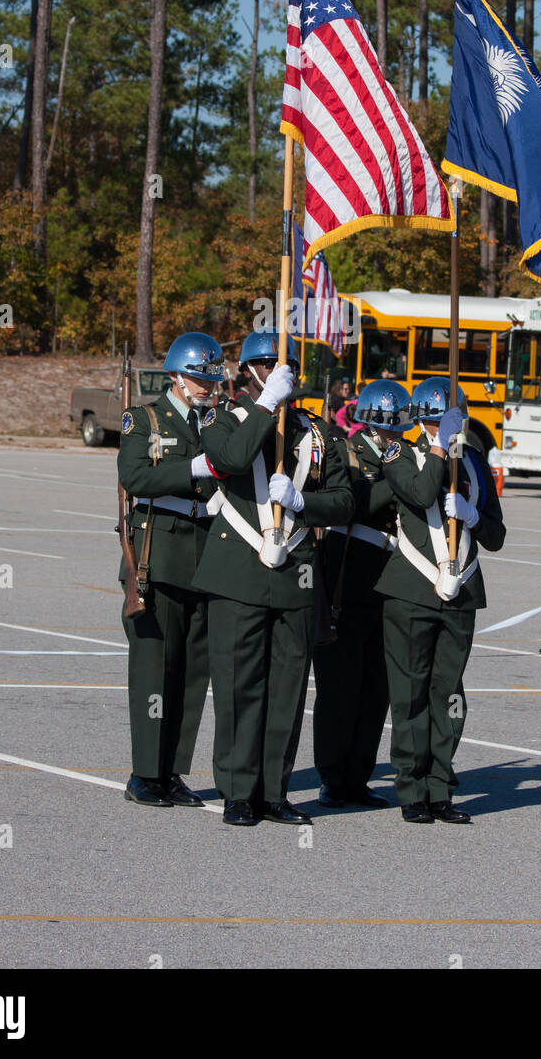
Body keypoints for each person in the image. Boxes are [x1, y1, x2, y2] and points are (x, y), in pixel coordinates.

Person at [192, 331, 354, 827]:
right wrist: (265, 405)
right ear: (246, 371)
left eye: (278, 363)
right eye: (261, 363)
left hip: (297, 574)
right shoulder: (224, 416)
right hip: (237, 568)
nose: (270, 368)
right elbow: (234, 459)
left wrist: (305, 502)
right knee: (240, 684)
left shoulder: (319, 432)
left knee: (288, 686)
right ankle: (238, 792)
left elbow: (347, 501)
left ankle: (274, 790)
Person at [376, 377, 505, 824]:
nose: (444, 428)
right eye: (434, 422)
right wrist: (437, 448)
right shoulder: (399, 453)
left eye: (449, 420)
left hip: (462, 590)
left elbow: (497, 535)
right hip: (412, 589)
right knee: (410, 691)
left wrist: (472, 516)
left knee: (448, 694)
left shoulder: (473, 462)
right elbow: (419, 492)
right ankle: (412, 790)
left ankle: (440, 788)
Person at [117, 331, 224, 808]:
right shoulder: (144, 419)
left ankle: (174, 771)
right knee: (154, 670)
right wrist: (194, 470)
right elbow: (135, 477)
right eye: (200, 379)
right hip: (157, 557)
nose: (207, 386)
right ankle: (145, 773)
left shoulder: (213, 423)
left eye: (210, 379)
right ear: (177, 378)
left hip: (204, 559)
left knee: (190, 673)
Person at [312, 379, 410, 810]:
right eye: (385, 424)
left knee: (376, 687)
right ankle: (333, 777)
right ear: (367, 421)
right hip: (348, 579)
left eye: (398, 425)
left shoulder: (406, 454)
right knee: (341, 686)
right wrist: (399, 474)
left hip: (393, 579)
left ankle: (359, 777)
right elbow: (357, 503)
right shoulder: (347, 453)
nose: (393, 432)